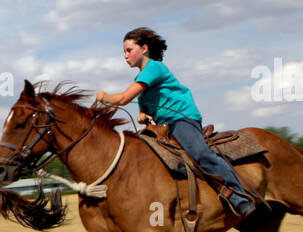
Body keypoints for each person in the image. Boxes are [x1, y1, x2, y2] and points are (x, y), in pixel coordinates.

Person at [96, 27, 257, 218]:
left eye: (129, 50)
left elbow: (123, 99)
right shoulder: (141, 76)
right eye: (124, 51)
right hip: (162, 126)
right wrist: (142, 113)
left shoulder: (154, 68)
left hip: (180, 119)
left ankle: (239, 197)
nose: (125, 56)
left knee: (200, 153)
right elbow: (144, 103)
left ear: (144, 48)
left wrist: (104, 96)